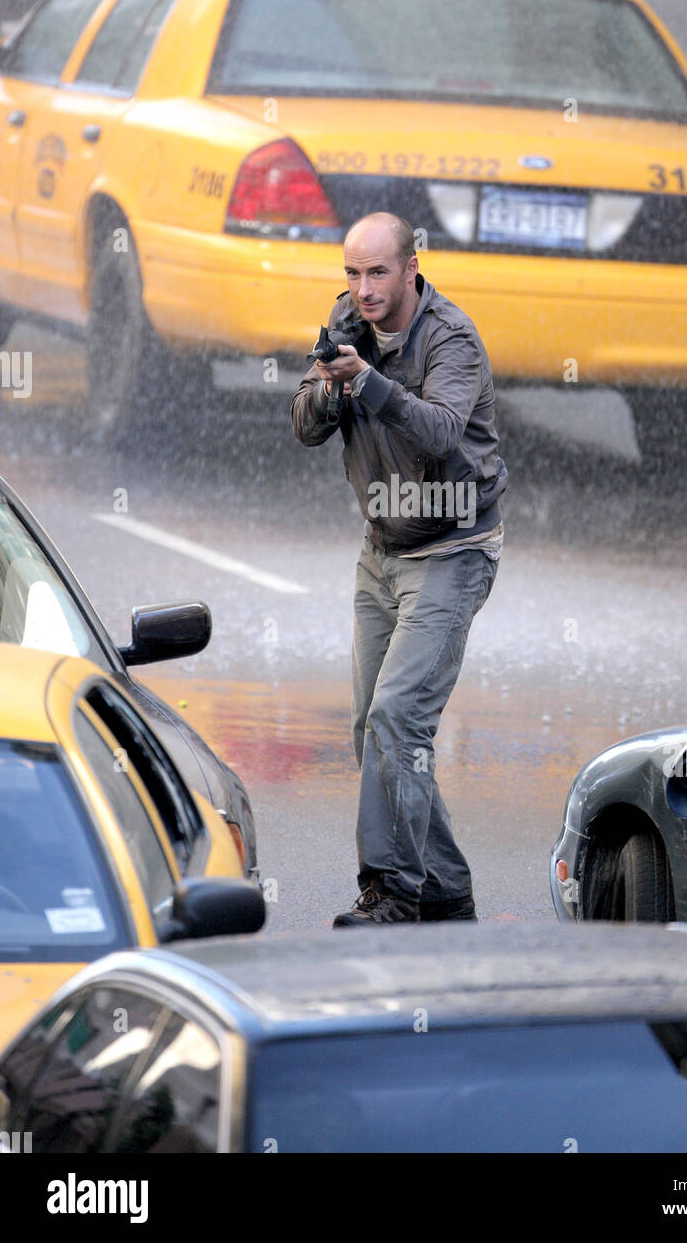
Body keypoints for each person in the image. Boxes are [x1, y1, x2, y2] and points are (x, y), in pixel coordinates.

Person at [291, 211, 507, 926]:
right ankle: (444, 887)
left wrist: (368, 383)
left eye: (377, 272)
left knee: (397, 718)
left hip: (452, 552)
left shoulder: (453, 338)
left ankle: (392, 892)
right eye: (351, 274)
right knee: (371, 728)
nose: (363, 289)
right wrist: (329, 385)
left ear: (412, 268)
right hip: (381, 552)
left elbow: (443, 430)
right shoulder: (344, 323)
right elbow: (302, 423)